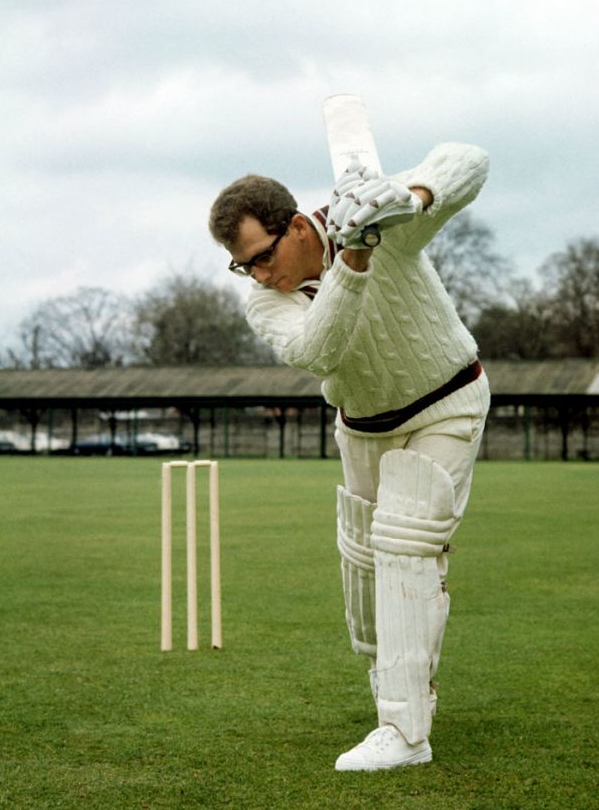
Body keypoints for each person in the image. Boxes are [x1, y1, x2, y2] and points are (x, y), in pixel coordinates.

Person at [208, 140, 490, 771]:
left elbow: (469, 160)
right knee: (365, 575)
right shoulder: (266, 299)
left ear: (300, 226)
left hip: (446, 400)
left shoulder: (379, 219)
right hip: (362, 427)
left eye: (260, 257)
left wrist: (407, 200)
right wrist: (354, 258)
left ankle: (405, 732)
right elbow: (321, 351)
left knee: (406, 544)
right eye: (242, 266)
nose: (257, 275)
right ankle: (399, 680)